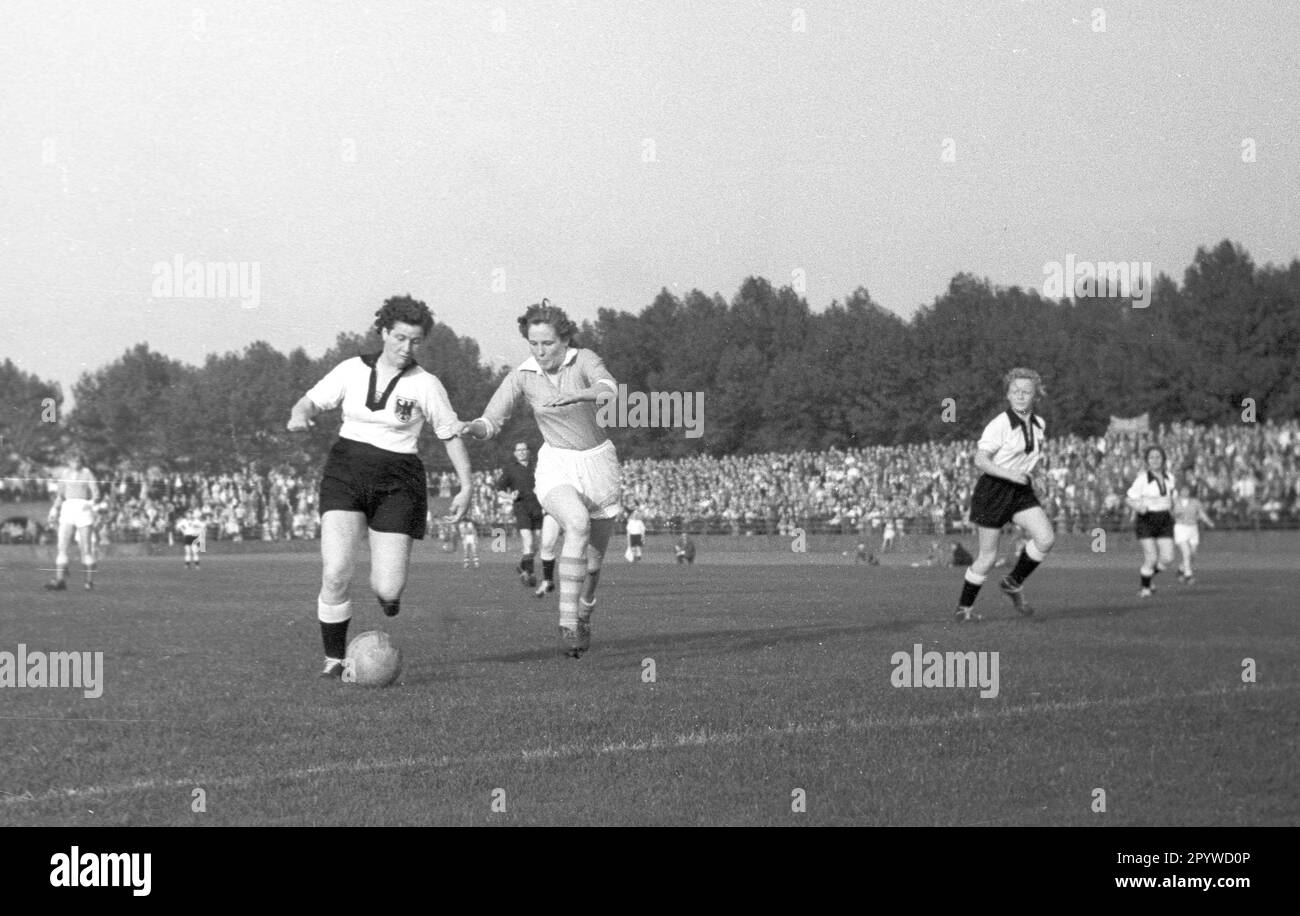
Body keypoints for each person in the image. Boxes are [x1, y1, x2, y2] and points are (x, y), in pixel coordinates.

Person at [287, 295, 472, 680]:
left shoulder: (426, 384)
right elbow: (309, 402)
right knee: (336, 571)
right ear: (384, 332)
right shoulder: (351, 369)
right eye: (400, 338)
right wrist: (299, 415)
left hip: (398, 480)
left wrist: (466, 485)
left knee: (388, 588)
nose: (406, 348)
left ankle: (388, 598)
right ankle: (334, 660)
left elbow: (450, 434)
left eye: (415, 341)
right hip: (346, 471)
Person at [457, 298, 621, 658]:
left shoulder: (584, 359)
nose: (540, 351)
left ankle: (584, 610)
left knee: (593, 567)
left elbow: (610, 389)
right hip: (556, 463)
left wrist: (581, 394)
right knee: (576, 523)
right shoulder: (522, 375)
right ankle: (568, 622)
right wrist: (472, 427)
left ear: (565, 340)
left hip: (597, 466)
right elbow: (491, 420)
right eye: (533, 343)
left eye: (548, 343)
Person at [955, 368, 1055, 621]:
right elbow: (980, 459)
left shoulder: (1039, 424)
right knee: (988, 557)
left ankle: (1013, 582)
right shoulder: (999, 424)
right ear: (1008, 395)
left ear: (1035, 396)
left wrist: (1036, 476)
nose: (1020, 395)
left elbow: (1028, 459)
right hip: (993, 491)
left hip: (1020, 491)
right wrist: (1009, 474)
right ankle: (964, 609)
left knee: (1045, 539)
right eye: (1015, 391)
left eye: (1026, 392)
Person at [44, 452, 100, 591]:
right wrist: (54, 509)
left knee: (86, 548)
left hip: (82, 508)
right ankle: (60, 580)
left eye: (79, 460)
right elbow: (60, 495)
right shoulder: (65, 473)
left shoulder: (87, 473)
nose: (76, 463)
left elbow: (96, 493)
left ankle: (89, 582)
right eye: (74, 460)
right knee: (62, 546)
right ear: (69, 462)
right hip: (68, 508)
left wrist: (91, 503)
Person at [1126, 445, 1176, 597]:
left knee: (1167, 558)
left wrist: (1176, 508)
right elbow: (1129, 498)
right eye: (1151, 457)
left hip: (1165, 519)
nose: (1155, 460)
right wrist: (1138, 507)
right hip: (1146, 519)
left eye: (1158, 457)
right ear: (1147, 461)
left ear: (1163, 459)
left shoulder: (1170, 478)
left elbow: (1172, 498)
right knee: (1151, 557)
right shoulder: (1142, 479)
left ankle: (1146, 578)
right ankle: (1145, 588)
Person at [497, 441, 543, 586]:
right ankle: (529, 575)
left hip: (538, 508)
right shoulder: (510, 469)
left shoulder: (538, 467)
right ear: (515, 453)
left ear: (529, 451)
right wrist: (510, 496)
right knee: (528, 542)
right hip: (521, 508)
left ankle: (523, 566)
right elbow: (500, 490)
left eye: (524, 449)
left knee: (535, 546)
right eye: (519, 450)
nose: (522, 452)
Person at [1172, 481, 1215, 584]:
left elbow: (1201, 513)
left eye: (1187, 490)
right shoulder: (1174, 502)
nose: (1185, 492)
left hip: (1193, 528)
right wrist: (1175, 515)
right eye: (1183, 490)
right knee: (1186, 552)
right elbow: (1170, 514)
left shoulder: (1195, 502)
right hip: (1181, 528)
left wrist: (1208, 522)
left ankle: (1181, 569)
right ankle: (1188, 575)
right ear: (1180, 491)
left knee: (1192, 554)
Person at [533, 513, 561, 597]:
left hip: (575, 510)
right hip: (552, 511)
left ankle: (585, 592)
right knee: (546, 545)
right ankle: (548, 581)